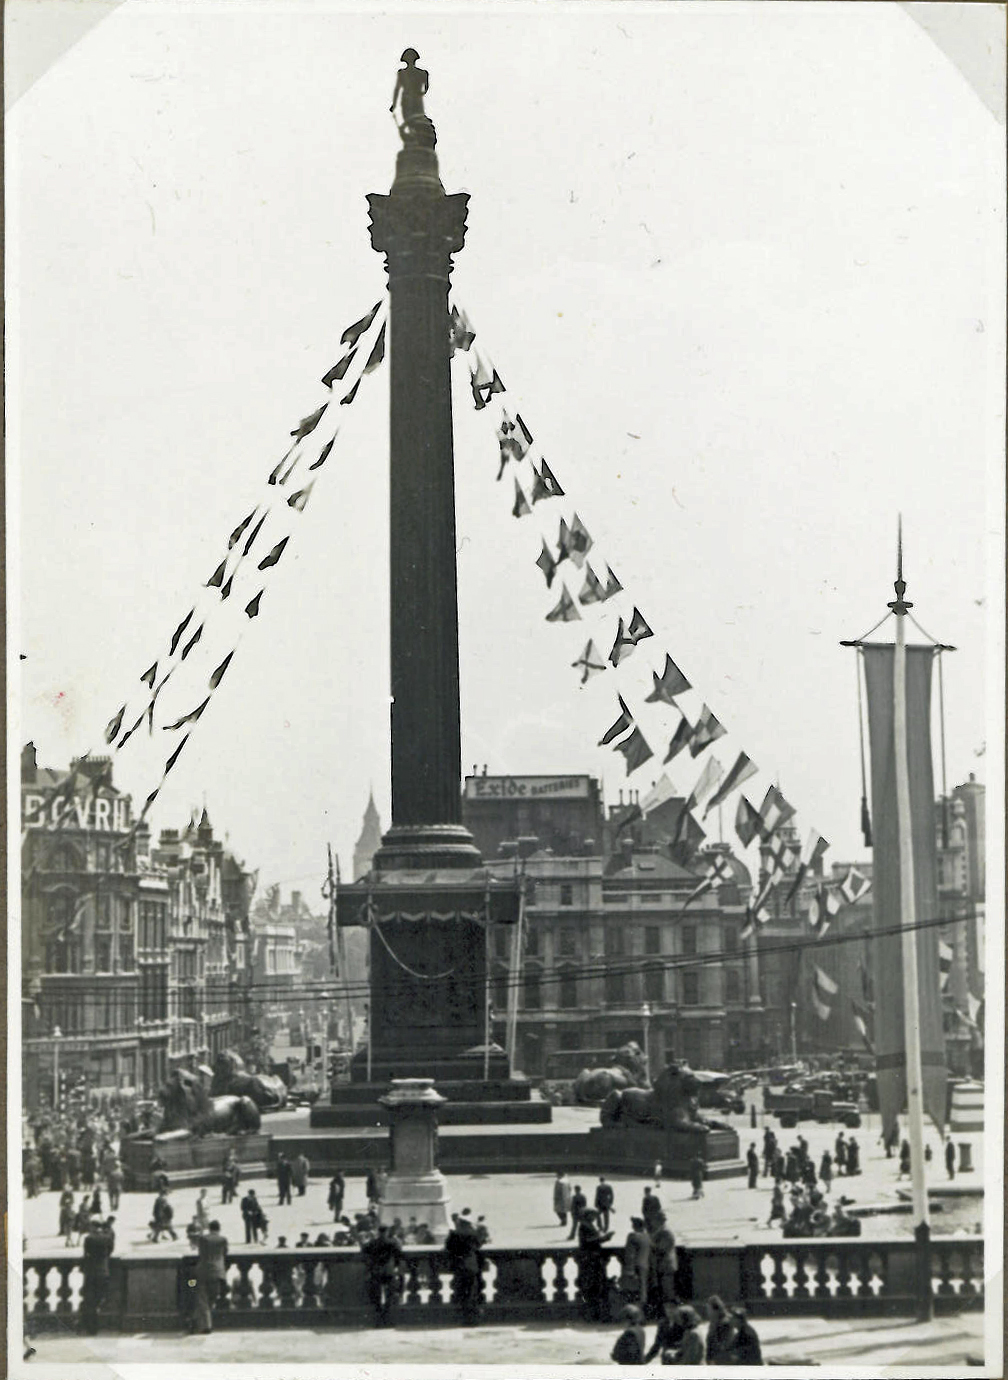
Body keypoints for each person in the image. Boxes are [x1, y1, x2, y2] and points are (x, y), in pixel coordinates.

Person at [361, 1223, 405, 1326]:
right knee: (389, 1296)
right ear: (387, 1232)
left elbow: (363, 1250)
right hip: (388, 1271)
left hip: (376, 1271)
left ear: (378, 1232)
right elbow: (399, 1254)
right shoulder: (391, 1243)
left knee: (376, 1297)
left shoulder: (373, 1243)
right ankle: (387, 1319)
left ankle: (378, 1320)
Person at [444, 1211, 483, 1324]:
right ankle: (473, 1319)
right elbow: (479, 1245)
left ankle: (463, 1318)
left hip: (459, 1265)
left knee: (461, 1292)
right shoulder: (473, 1233)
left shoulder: (455, 1233)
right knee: (472, 1292)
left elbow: (448, 1246)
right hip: (471, 1265)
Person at [191, 1219, 228, 1334]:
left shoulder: (203, 1239)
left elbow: (201, 1253)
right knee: (212, 1297)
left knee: (200, 1296)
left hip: (201, 1273)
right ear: (219, 1228)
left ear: (209, 1228)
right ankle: (197, 1321)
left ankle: (203, 1324)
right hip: (218, 1273)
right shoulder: (223, 1239)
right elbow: (225, 1253)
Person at [577, 1208, 614, 1322]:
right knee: (593, 1287)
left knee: (594, 1287)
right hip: (591, 1259)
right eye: (593, 1215)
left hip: (592, 1259)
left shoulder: (587, 1225)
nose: (595, 1217)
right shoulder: (585, 1225)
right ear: (588, 1215)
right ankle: (594, 1314)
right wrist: (604, 1238)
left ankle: (595, 1314)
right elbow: (589, 1241)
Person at [79, 1217, 114, 1335]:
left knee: (90, 1300)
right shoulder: (107, 1238)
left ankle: (91, 1328)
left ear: (93, 1227)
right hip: (104, 1271)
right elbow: (110, 1251)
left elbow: (86, 1254)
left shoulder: (88, 1239)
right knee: (100, 1299)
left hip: (91, 1272)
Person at [389, 48, 430, 130]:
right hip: (414, 100)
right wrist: (421, 93)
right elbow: (426, 87)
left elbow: (397, 90)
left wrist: (394, 104)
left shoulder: (402, 73)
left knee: (413, 122)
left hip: (408, 100)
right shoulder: (422, 73)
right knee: (416, 121)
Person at [620, 1217, 650, 1306]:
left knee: (632, 1290)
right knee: (643, 1289)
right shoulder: (647, 1236)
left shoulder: (632, 1236)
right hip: (645, 1265)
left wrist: (629, 1270)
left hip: (635, 1266)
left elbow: (630, 1254)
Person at [650, 1216, 679, 1312]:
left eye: (654, 1220)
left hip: (666, 1265)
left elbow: (661, 1248)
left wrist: (650, 1244)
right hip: (663, 1265)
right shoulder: (661, 1231)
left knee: (668, 1291)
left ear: (659, 1220)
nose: (652, 1222)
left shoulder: (665, 1232)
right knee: (665, 1291)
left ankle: (673, 1313)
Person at [706, 1294, 737, 1364]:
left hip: (723, 1360)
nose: (708, 1312)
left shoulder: (724, 1323)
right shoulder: (714, 1321)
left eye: (709, 1309)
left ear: (716, 1310)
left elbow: (724, 1344)